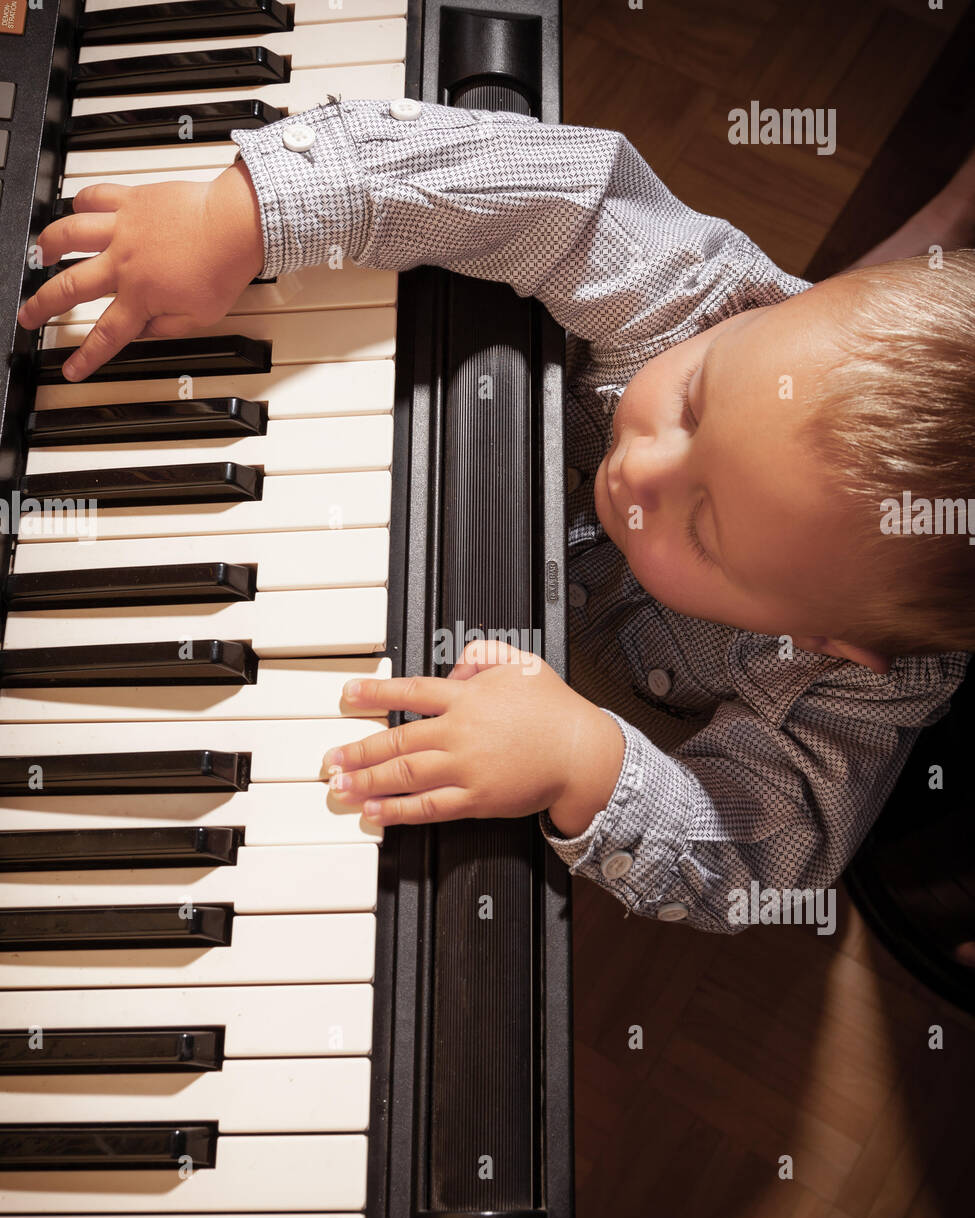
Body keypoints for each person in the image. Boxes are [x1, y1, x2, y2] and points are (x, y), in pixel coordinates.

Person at [19, 99, 974, 948]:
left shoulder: (852, 687)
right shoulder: (704, 301)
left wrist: (585, 762)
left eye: (706, 528)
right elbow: (558, 189)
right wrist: (253, 209)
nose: (640, 466)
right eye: (690, 400)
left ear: (827, 641)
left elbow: (766, 860)